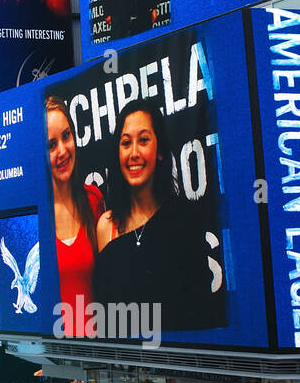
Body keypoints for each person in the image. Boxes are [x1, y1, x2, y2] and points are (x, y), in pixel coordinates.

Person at [93, 99, 227, 331]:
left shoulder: (185, 219)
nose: (134, 153)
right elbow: (105, 320)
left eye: (143, 140)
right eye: (126, 143)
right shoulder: (107, 225)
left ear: (160, 152)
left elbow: (200, 313)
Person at [45, 95, 104, 335]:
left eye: (66, 136)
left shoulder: (93, 200)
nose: (62, 151)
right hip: (56, 354)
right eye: (51, 144)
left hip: (100, 353)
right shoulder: (33, 218)